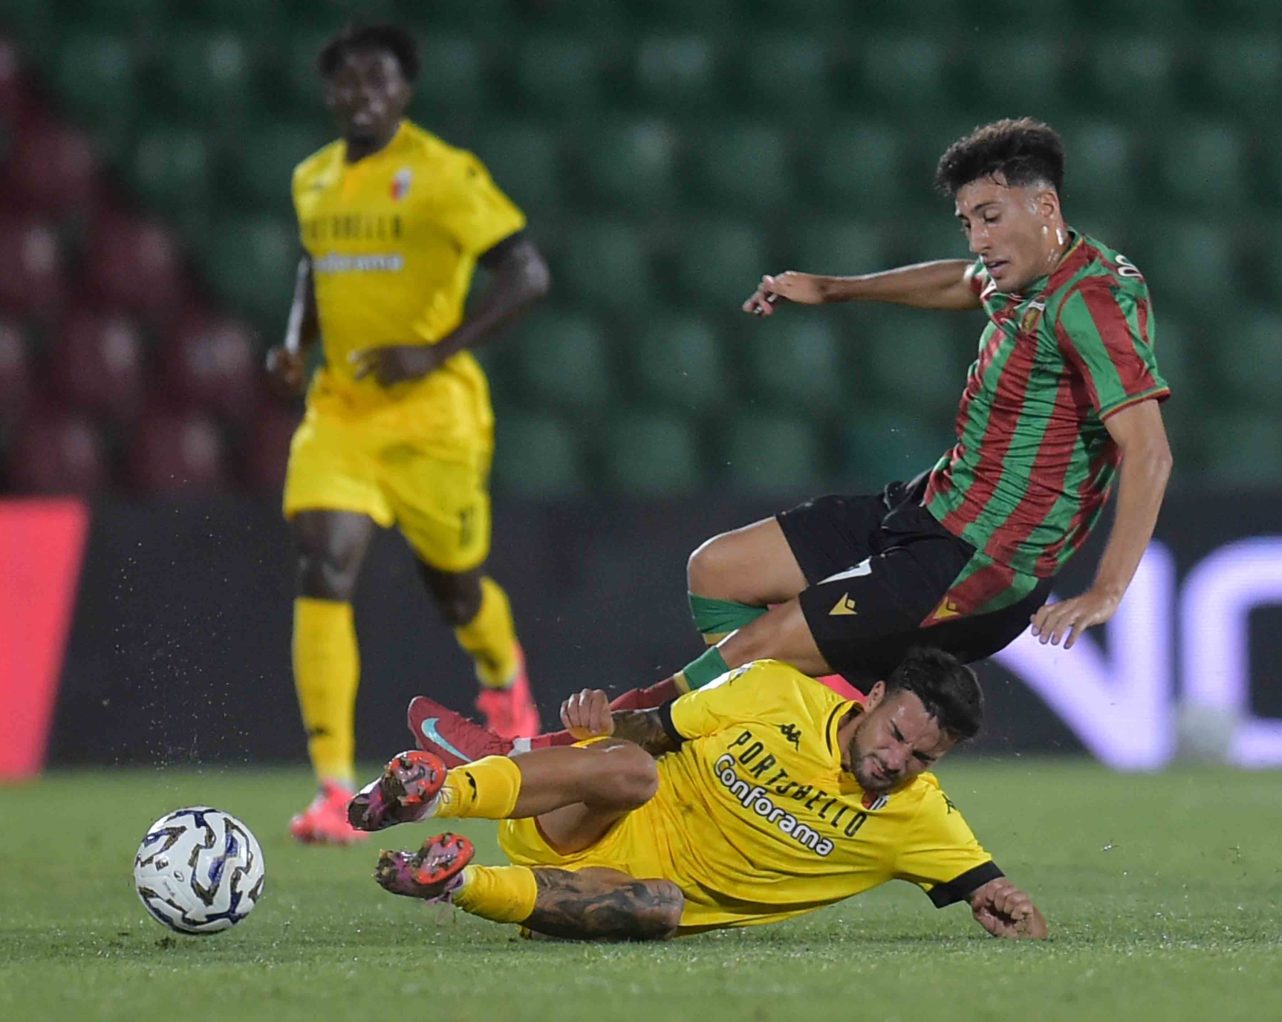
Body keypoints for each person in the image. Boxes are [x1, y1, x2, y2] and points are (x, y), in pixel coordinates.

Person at [408, 116, 1172, 766]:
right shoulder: (1020, 272)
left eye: (991, 216)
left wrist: (1106, 590)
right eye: (968, 220)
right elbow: (961, 282)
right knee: (720, 569)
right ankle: (779, 737)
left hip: (979, 562)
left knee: (758, 646)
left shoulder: (1092, 301)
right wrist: (838, 289)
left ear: (1045, 206)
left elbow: (1149, 449)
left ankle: (556, 753)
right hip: (931, 508)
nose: (979, 237)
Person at [263, 23, 549, 844]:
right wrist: (295, 346)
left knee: (454, 588)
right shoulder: (312, 179)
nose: (365, 96)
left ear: (405, 91)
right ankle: (330, 786)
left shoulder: (443, 175)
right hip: (342, 414)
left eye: (381, 82)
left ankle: (502, 674)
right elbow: (312, 268)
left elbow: (528, 273)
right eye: (350, 84)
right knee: (323, 562)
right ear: (332, 94)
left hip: (435, 423)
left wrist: (435, 350)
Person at [352, 648, 1048, 941]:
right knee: (634, 769)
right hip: (577, 823)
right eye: (896, 734)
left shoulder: (920, 819)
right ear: (869, 698)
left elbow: (998, 893)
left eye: (922, 758)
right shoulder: (774, 689)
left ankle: (451, 880)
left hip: (601, 894)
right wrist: (593, 724)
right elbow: (649, 731)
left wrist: (1010, 909)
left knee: (664, 906)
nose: (898, 761)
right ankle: (432, 797)